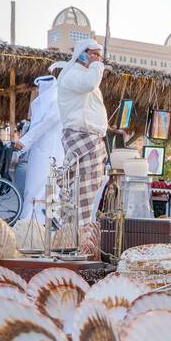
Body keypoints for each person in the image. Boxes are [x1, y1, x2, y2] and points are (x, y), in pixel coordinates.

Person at [51, 38, 109, 229]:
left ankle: (81, 231)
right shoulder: (73, 74)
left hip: (90, 138)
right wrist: (97, 66)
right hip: (81, 137)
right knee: (81, 187)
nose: (98, 59)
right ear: (83, 53)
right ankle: (75, 231)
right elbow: (89, 84)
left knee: (89, 188)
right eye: (94, 54)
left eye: (99, 55)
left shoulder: (82, 73)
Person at [12, 74, 64, 221]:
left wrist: (25, 141)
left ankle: (41, 220)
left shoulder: (56, 102)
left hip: (51, 152)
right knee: (33, 187)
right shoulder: (42, 103)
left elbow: (45, 124)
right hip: (39, 152)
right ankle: (31, 219)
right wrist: (24, 144)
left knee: (47, 187)